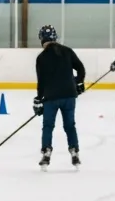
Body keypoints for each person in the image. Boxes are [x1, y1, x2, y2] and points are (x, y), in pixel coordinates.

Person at [32, 24, 85, 168]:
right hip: (69, 95)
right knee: (70, 125)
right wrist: (78, 83)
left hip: (51, 97)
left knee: (48, 126)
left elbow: (41, 82)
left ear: (42, 39)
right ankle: (74, 151)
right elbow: (81, 68)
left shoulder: (41, 57)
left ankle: (46, 152)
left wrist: (39, 100)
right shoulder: (67, 51)